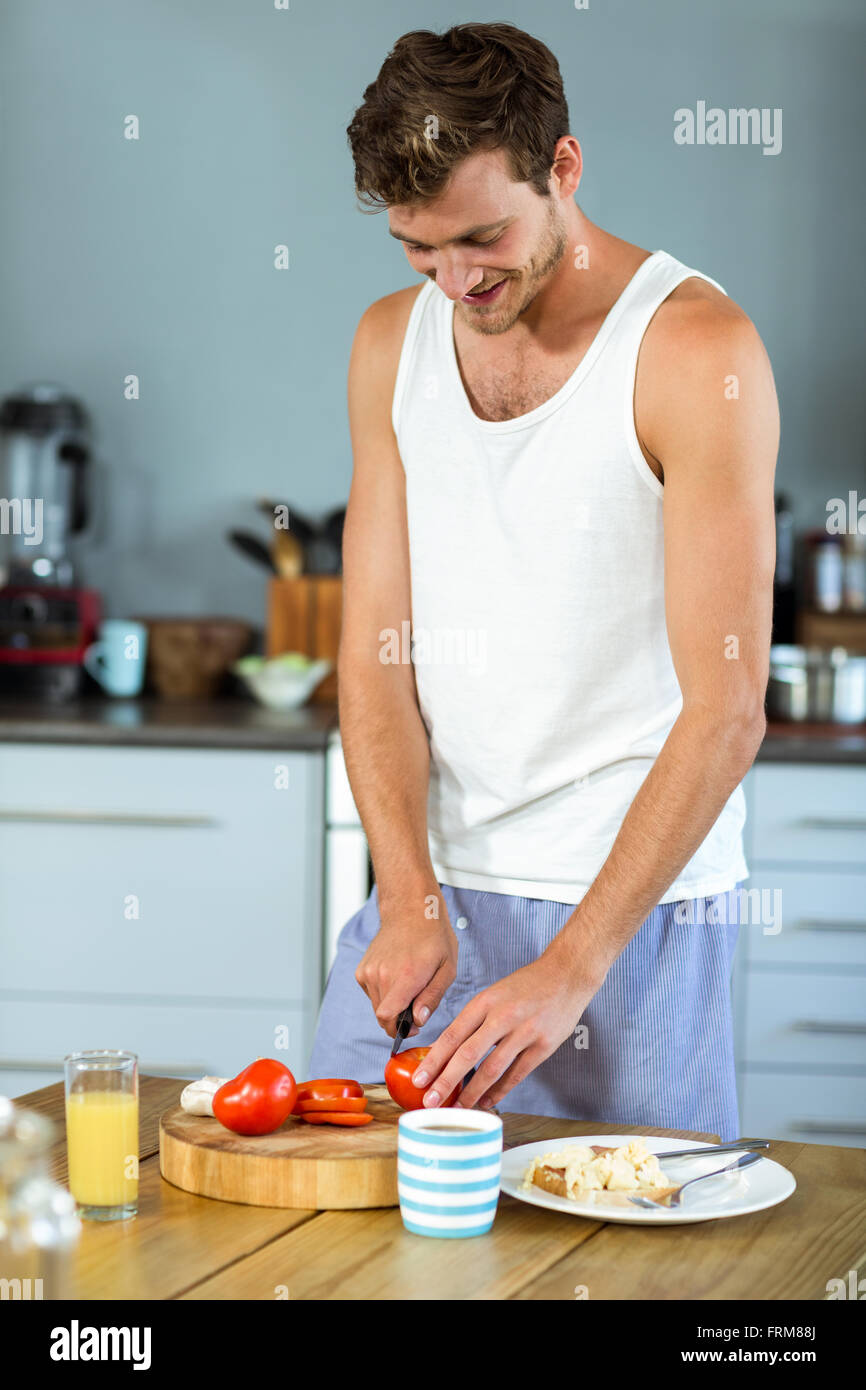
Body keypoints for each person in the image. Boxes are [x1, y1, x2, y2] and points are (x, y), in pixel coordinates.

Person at [309, 22, 778, 1140]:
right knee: (350, 1241)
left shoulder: (693, 352)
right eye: (420, 253)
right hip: (431, 904)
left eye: (482, 238)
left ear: (561, 169)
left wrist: (572, 966)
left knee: (631, 1267)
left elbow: (727, 707)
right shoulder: (389, 345)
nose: (457, 284)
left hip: (632, 917)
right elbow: (376, 660)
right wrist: (408, 886)